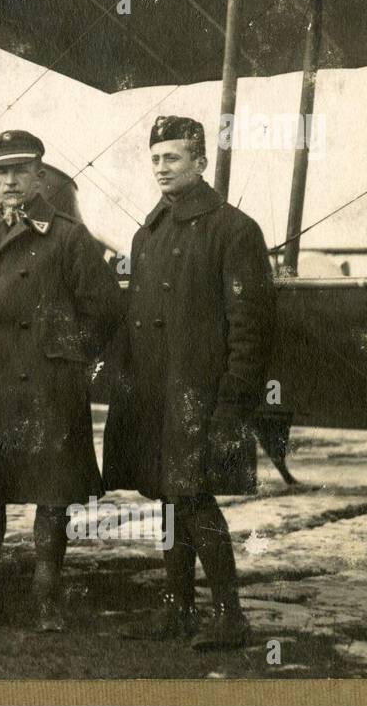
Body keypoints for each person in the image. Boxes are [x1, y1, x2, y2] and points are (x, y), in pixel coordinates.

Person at [103, 115, 275, 650]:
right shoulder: (147, 232)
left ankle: (231, 617)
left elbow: (250, 327)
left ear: (200, 163)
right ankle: (176, 611)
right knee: (171, 500)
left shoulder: (235, 230)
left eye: (172, 158)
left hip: (203, 395)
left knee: (195, 499)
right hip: (156, 394)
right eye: (155, 158)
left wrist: (232, 402)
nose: (161, 168)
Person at [0, 130, 121, 631]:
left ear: (40, 175)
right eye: (1, 172)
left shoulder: (67, 236)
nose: (11, 180)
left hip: (48, 381)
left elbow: (104, 308)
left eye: (20, 170)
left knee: (52, 493)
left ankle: (46, 599)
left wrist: (66, 355)